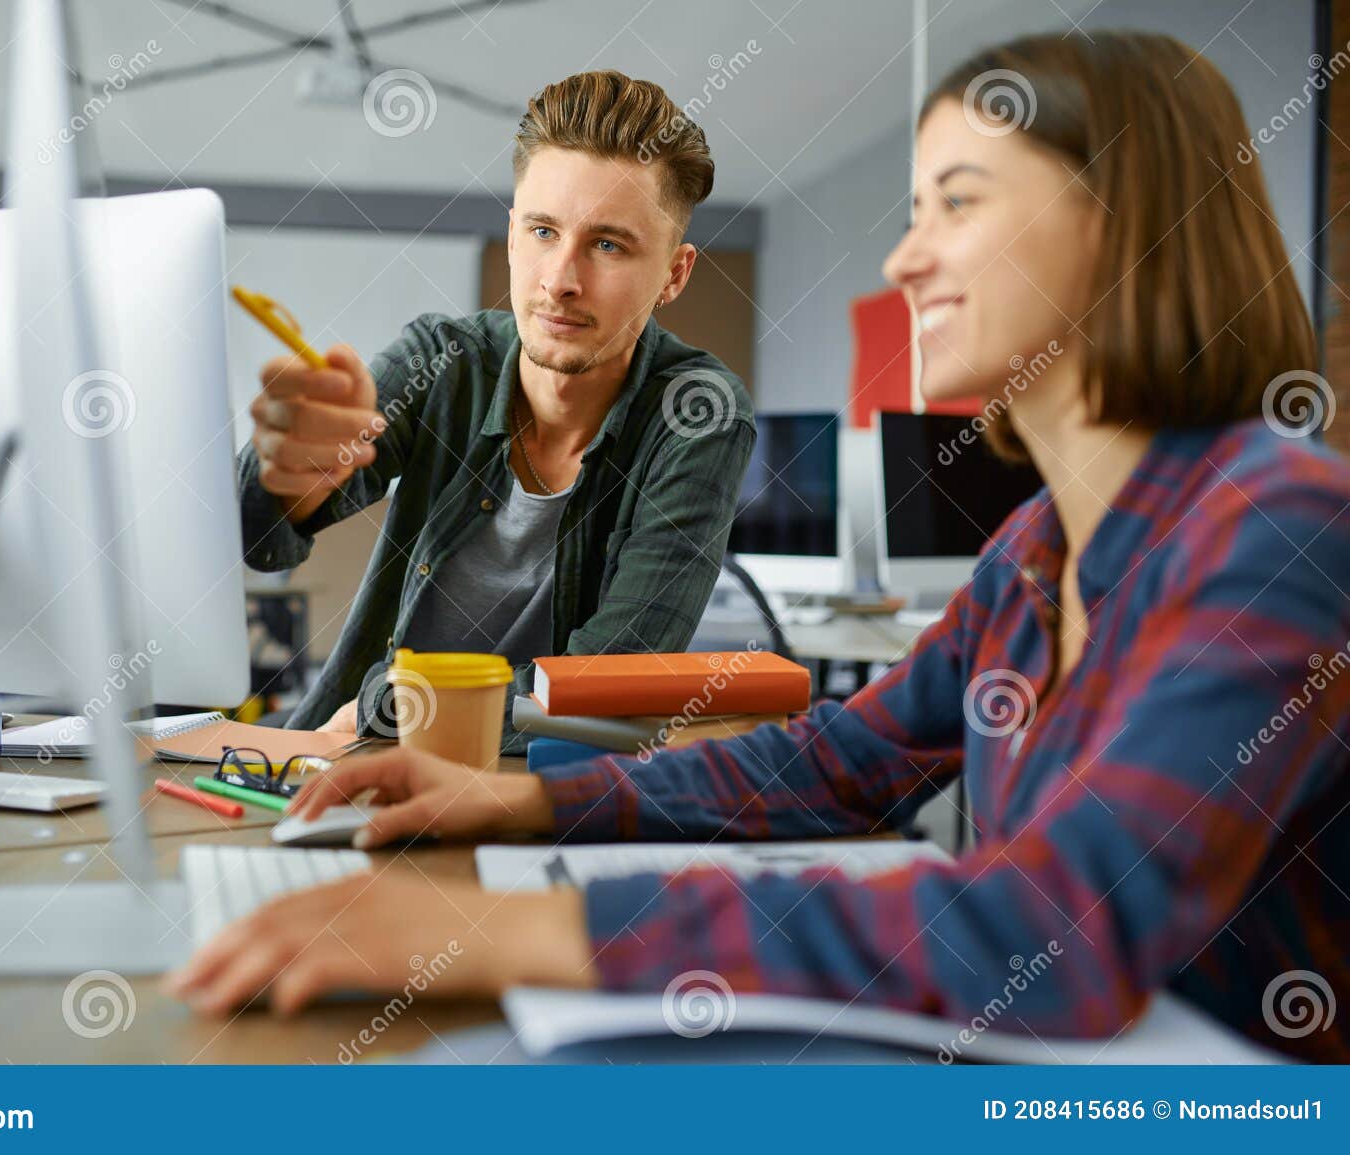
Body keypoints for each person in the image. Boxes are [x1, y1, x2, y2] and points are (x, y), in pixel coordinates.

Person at [170, 32, 1350, 1063]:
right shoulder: (1038, 554)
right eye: (911, 211)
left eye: (959, 202)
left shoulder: (1284, 527)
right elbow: (835, 764)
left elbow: (1054, 934)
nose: (901, 260)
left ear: (1124, 226)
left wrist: (501, 929)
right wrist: (508, 804)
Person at [239, 70, 755, 751]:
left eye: (608, 244)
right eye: (543, 231)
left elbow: (615, 680)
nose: (561, 280)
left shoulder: (700, 415)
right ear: (513, 236)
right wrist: (281, 479)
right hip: (340, 761)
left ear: (675, 274)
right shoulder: (442, 360)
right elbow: (255, 536)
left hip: (535, 797)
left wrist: (388, 708)